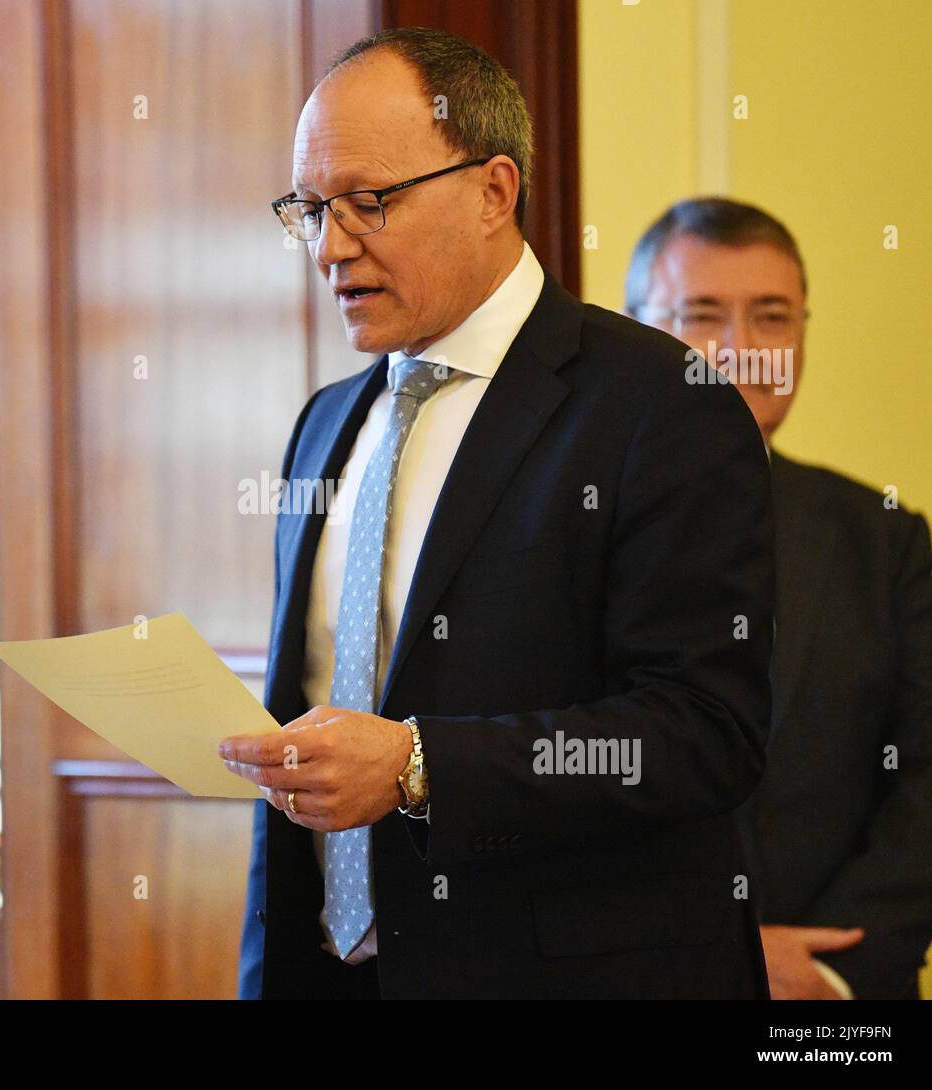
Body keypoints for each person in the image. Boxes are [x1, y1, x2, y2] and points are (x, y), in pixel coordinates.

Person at [219, 28, 774, 999]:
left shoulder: (659, 402)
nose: (328, 245)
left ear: (493, 190)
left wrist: (420, 765)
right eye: (308, 209)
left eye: (368, 202)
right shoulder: (324, 425)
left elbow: (701, 730)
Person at [627, 197, 932, 999]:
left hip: (837, 998)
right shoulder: (567, 526)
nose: (743, 349)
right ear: (636, 333)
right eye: (702, 314)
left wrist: (834, 971)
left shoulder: (881, 535)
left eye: (772, 317)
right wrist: (713, 955)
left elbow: (930, 776)